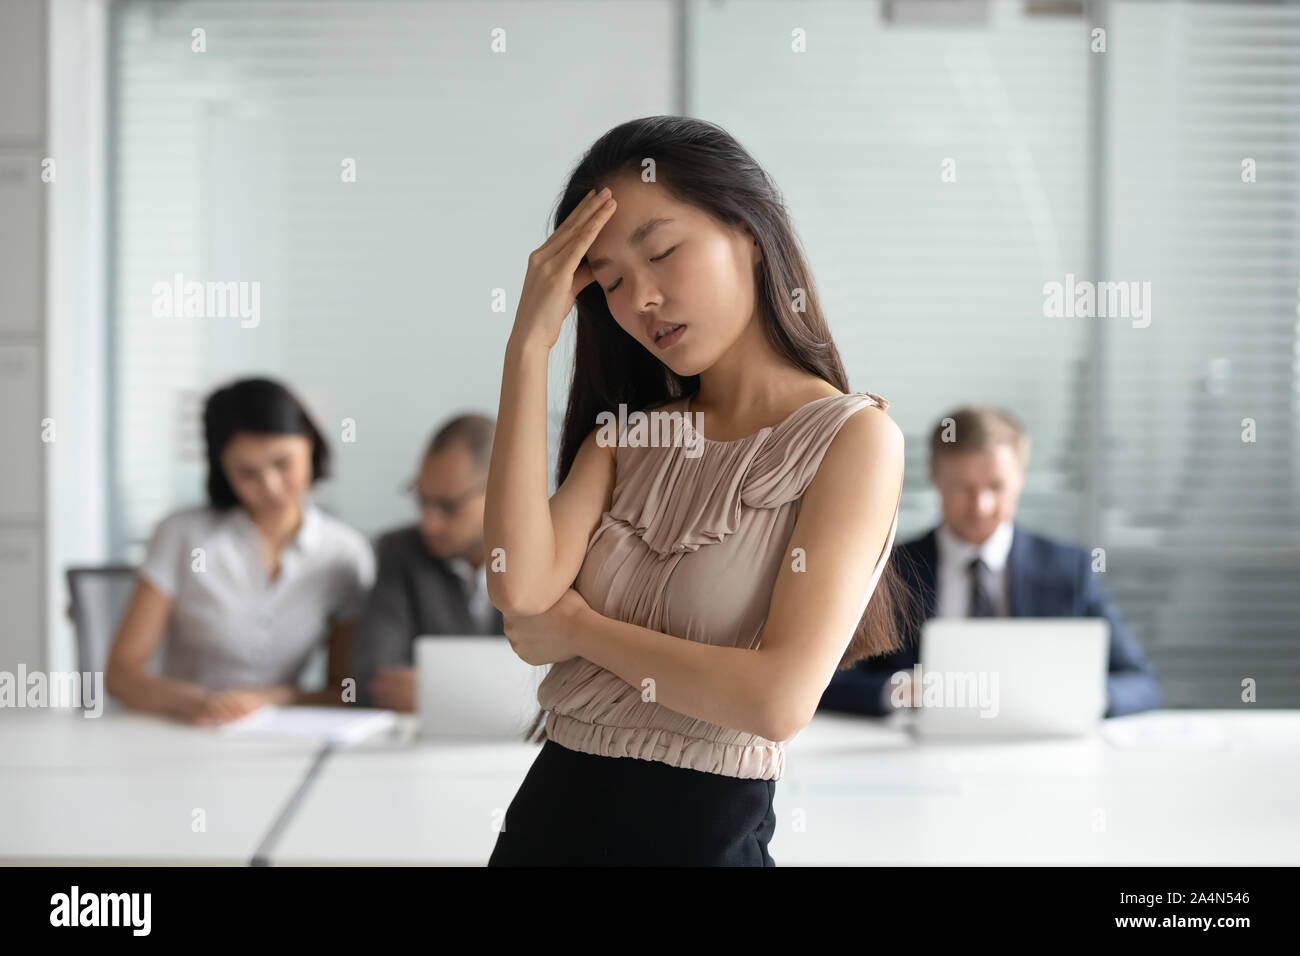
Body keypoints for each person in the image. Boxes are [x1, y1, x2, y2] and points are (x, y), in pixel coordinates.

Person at [483, 116, 906, 867]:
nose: (640, 298)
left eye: (662, 252)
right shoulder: (626, 437)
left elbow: (776, 701)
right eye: (610, 281)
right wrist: (527, 347)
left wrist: (581, 633)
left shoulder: (852, 440)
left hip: (699, 840)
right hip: (546, 827)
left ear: (747, 229)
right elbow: (519, 589)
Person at [818, 405, 1162, 718]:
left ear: (1020, 480)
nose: (980, 506)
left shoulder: (1070, 569)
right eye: (963, 488)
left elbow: (1141, 683)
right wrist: (897, 691)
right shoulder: (891, 571)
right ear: (935, 478)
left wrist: (1085, 698)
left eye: (996, 487)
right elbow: (823, 681)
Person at [105, 377, 375, 725]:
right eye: (247, 472)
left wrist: (271, 699)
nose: (270, 486)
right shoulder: (181, 535)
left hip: (280, 734)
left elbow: (345, 691)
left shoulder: (345, 553)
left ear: (310, 445)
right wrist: (201, 703)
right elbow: (121, 674)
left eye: (282, 463)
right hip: (183, 730)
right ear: (222, 470)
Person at [351, 414, 504, 712]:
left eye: (448, 506)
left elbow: (560, 690)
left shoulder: (547, 557)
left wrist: (433, 693)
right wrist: (498, 695)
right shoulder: (399, 552)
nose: (429, 523)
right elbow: (373, 682)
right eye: (422, 501)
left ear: (501, 490)